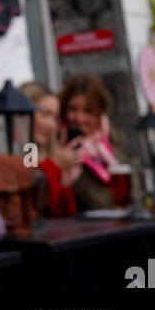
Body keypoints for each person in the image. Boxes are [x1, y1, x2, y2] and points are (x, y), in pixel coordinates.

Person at [18, 79, 84, 216]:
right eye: (45, 114)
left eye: (55, 117)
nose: (52, 124)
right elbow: (29, 203)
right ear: (23, 113)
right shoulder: (7, 146)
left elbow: (61, 216)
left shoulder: (43, 150)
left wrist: (64, 183)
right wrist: (54, 165)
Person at [59, 73, 123, 213]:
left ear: (99, 112)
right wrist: (57, 163)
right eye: (72, 109)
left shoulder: (111, 140)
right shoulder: (54, 141)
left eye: (87, 111)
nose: (79, 118)